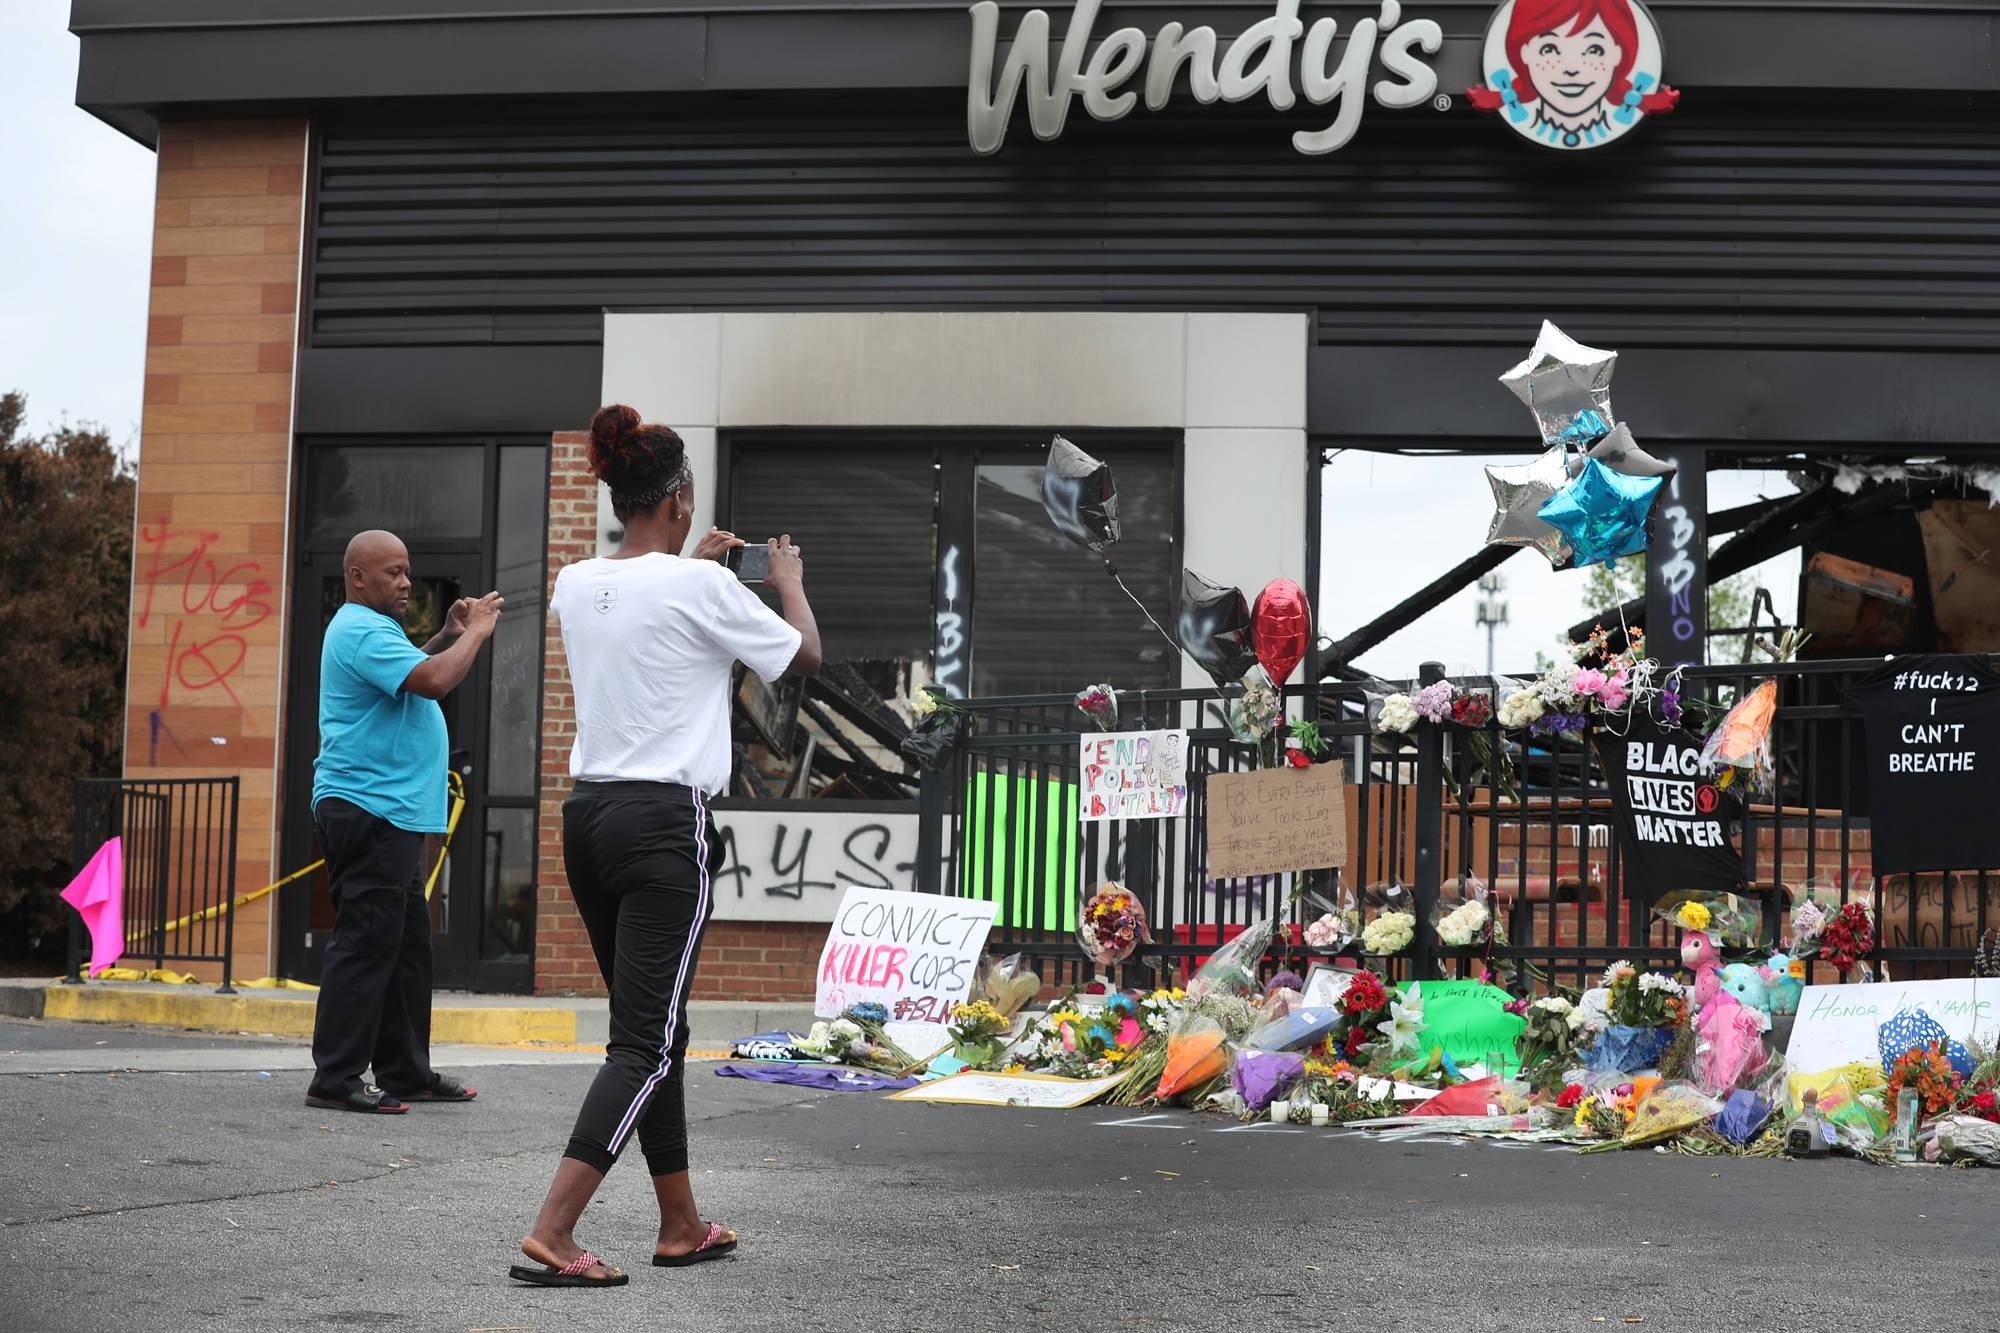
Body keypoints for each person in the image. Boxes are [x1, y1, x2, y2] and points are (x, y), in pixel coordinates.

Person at [510, 404, 820, 1288]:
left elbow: (650, 616)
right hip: (662, 827)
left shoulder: (577, 582)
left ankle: (680, 1222)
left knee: (654, 1031)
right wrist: (785, 578)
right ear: (680, 500)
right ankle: (553, 1230)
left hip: (590, 819)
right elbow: (804, 657)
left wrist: (698, 571)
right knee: (643, 1044)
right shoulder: (704, 588)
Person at [307, 530, 503, 1114]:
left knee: (407, 948)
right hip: (368, 809)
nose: (405, 582)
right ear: (357, 578)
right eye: (392, 572)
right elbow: (435, 680)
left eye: (407, 571)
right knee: (367, 942)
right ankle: (335, 1076)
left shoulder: (377, 633)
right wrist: (478, 635)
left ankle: (404, 1071)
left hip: (387, 813)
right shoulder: (359, 627)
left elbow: (415, 666)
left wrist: (447, 634)